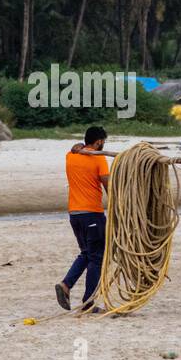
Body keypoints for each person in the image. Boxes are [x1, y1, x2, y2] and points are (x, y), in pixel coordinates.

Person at [56, 126, 113, 311]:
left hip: (74, 214)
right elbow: (108, 186)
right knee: (96, 257)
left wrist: (77, 146)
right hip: (92, 213)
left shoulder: (70, 156)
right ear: (98, 142)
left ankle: (66, 285)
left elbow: (75, 148)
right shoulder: (99, 158)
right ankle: (88, 302)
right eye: (103, 142)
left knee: (87, 253)